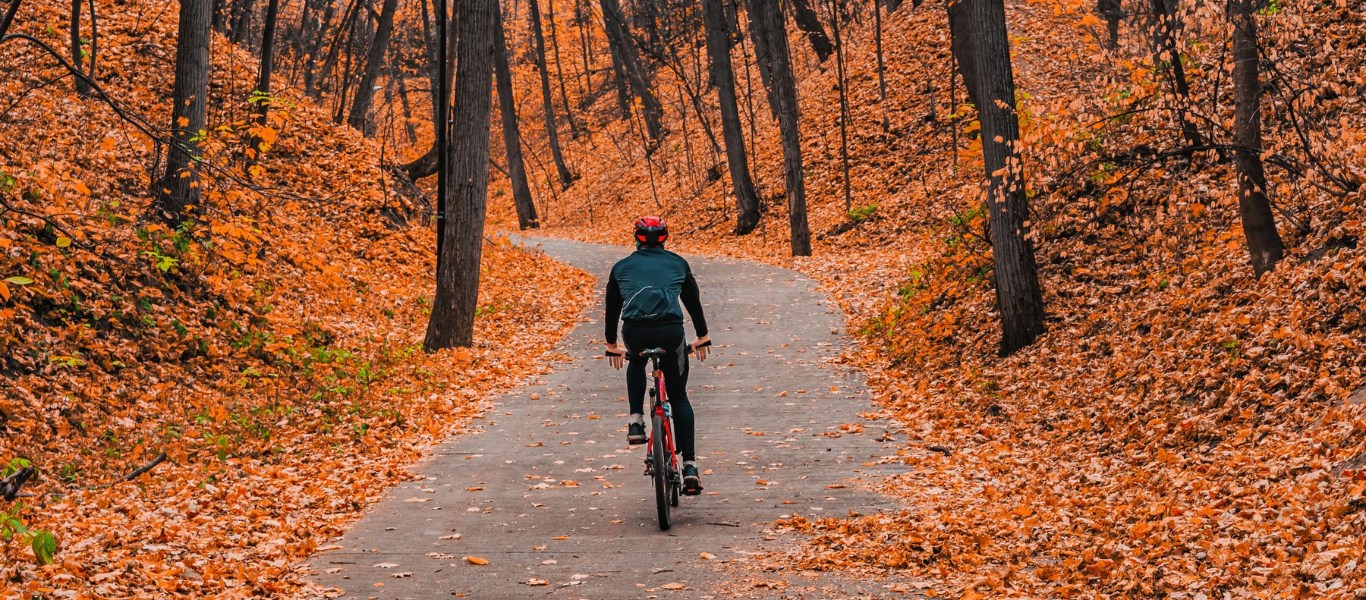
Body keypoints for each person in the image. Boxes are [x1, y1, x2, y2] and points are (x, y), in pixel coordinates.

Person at [604, 216, 711, 495]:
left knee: (637, 360)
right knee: (679, 396)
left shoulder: (621, 267)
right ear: (665, 237)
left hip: (636, 332)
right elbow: (692, 302)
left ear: (636, 238)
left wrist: (611, 343)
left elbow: (612, 308)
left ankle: (636, 421)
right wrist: (703, 336)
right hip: (670, 333)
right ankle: (689, 466)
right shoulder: (678, 263)